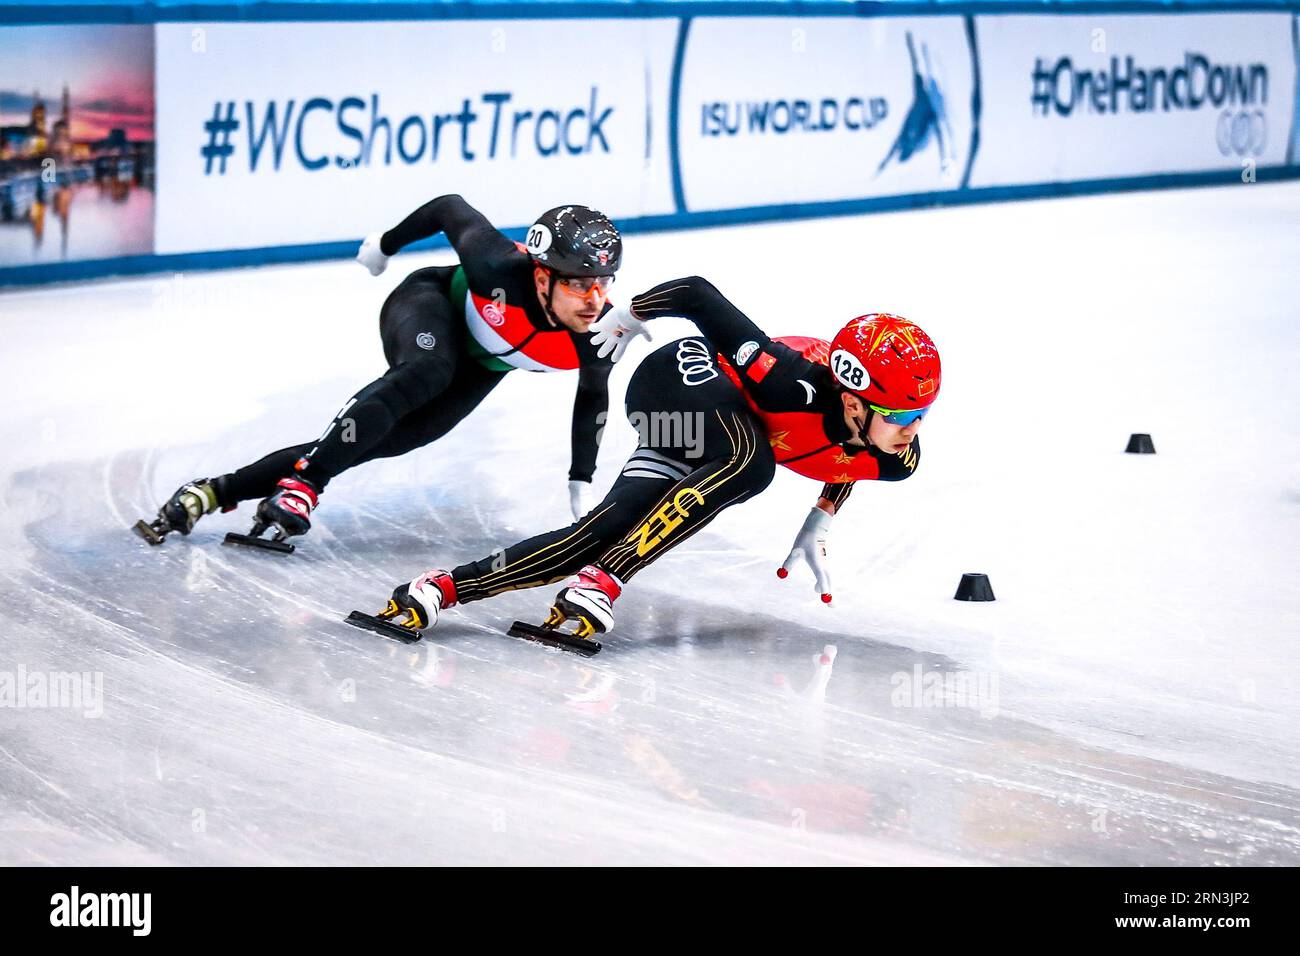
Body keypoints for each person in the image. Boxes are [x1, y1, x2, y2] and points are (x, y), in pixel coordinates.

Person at [359, 275, 941, 649]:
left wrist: (822, 517)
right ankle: (607, 579)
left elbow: (852, 462)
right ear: (851, 397)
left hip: (710, 435)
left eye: (920, 415)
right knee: (752, 463)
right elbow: (696, 294)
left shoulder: (895, 454)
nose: (912, 430)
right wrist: (630, 314)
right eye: (901, 415)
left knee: (601, 531)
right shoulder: (788, 380)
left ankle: (437, 589)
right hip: (677, 382)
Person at [135, 198, 621, 549]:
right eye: (580, 285)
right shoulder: (495, 264)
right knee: (428, 369)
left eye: (602, 284)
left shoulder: (599, 331)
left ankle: (213, 491)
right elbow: (449, 208)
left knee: (392, 437)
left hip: (483, 364)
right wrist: (385, 245)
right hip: (429, 305)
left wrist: (581, 478)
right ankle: (304, 485)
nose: (594, 300)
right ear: (541, 276)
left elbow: (592, 398)